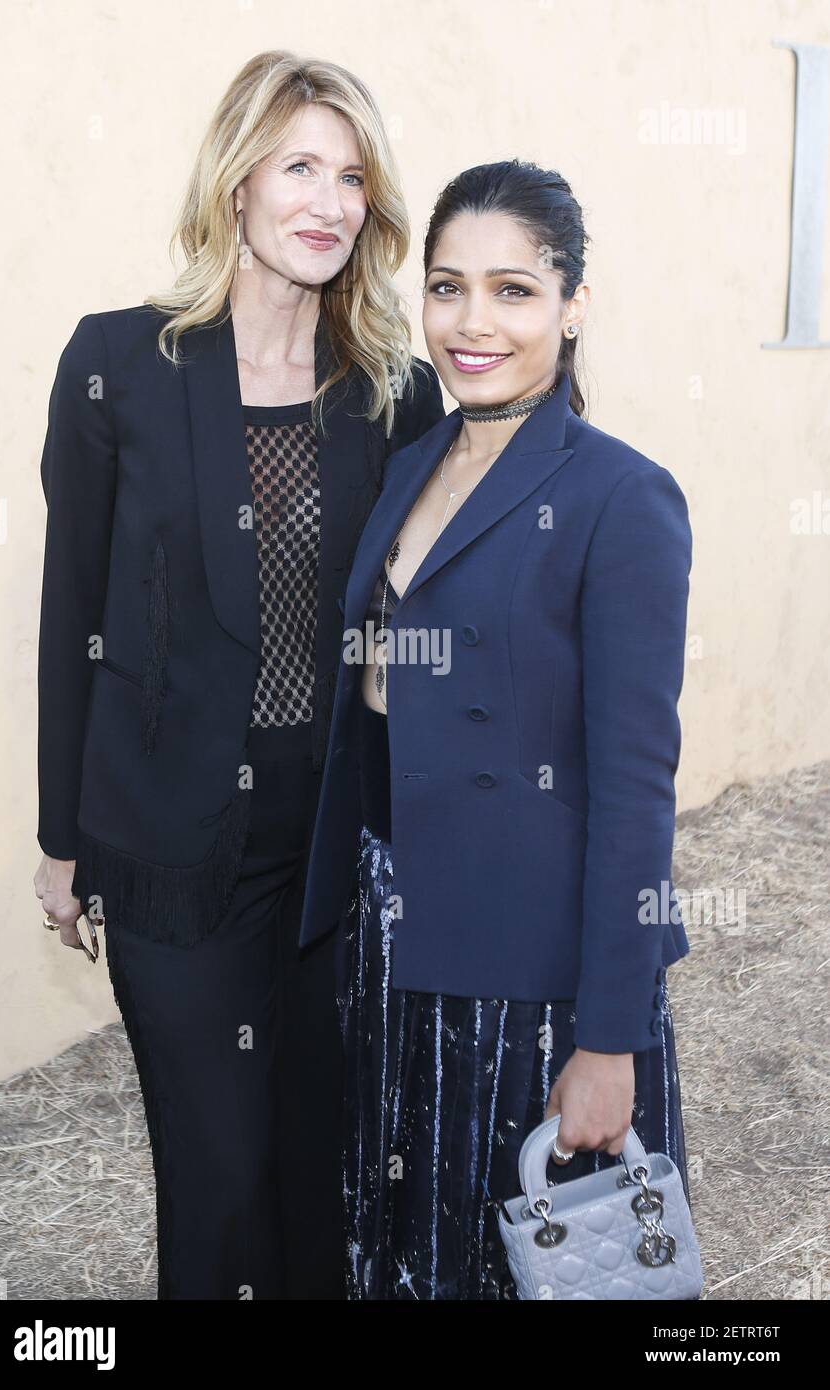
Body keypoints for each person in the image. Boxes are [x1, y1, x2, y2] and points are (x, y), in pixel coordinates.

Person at [32, 50, 444, 1301]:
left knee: (317, 1176)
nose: (328, 200)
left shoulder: (393, 395)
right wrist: (62, 839)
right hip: (169, 850)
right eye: (300, 165)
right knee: (214, 1184)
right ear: (237, 180)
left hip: (329, 847)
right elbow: (70, 616)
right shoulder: (118, 368)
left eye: (353, 178)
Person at [299, 160, 694, 1299]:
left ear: (571, 306)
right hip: (399, 939)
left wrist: (607, 1039)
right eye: (447, 286)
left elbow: (634, 790)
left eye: (513, 290)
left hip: (535, 984)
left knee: (531, 1267)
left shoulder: (623, 498)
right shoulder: (415, 459)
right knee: (411, 1253)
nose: (472, 324)